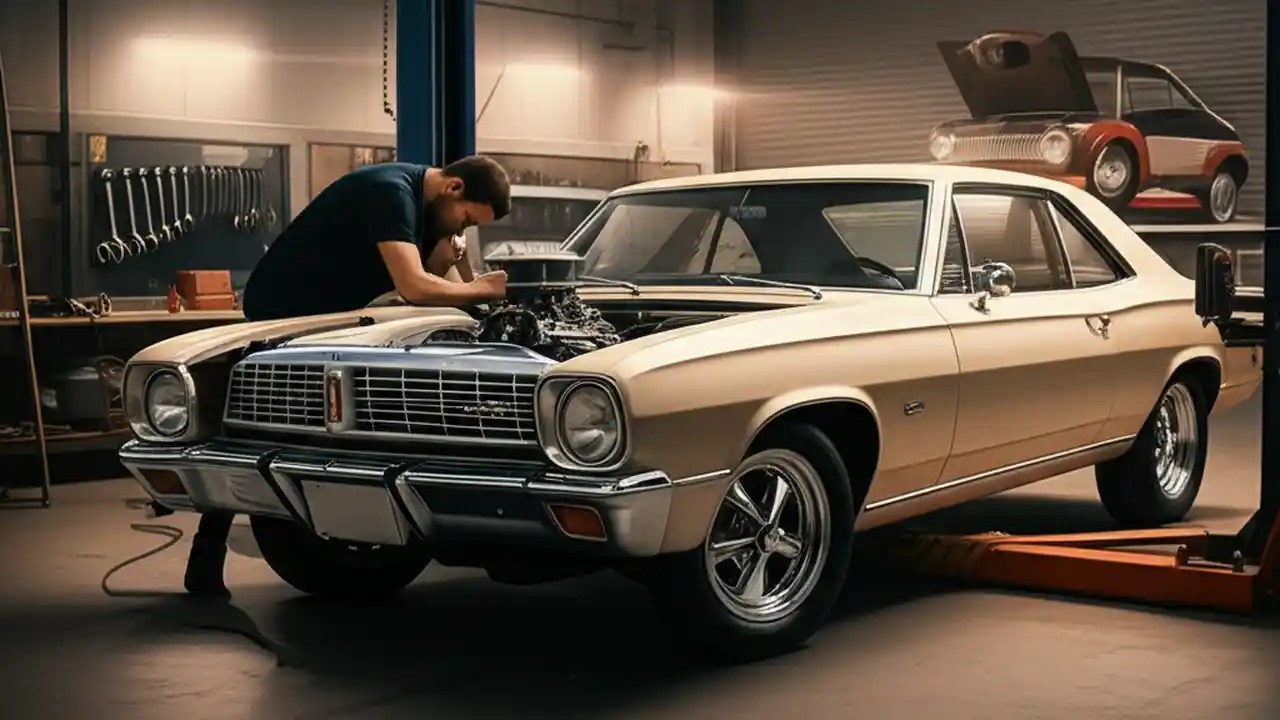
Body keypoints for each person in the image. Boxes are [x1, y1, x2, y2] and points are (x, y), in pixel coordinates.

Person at [182, 155, 513, 597]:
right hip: (285, 310)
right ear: (453, 188)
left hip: (334, 317)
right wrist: (484, 287)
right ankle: (207, 552)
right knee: (257, 430)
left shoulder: (430, 210)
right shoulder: (391, 193)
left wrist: (462, 275)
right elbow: (415, 287)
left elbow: (436, 286)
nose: (463, 229)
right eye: (467, 218)